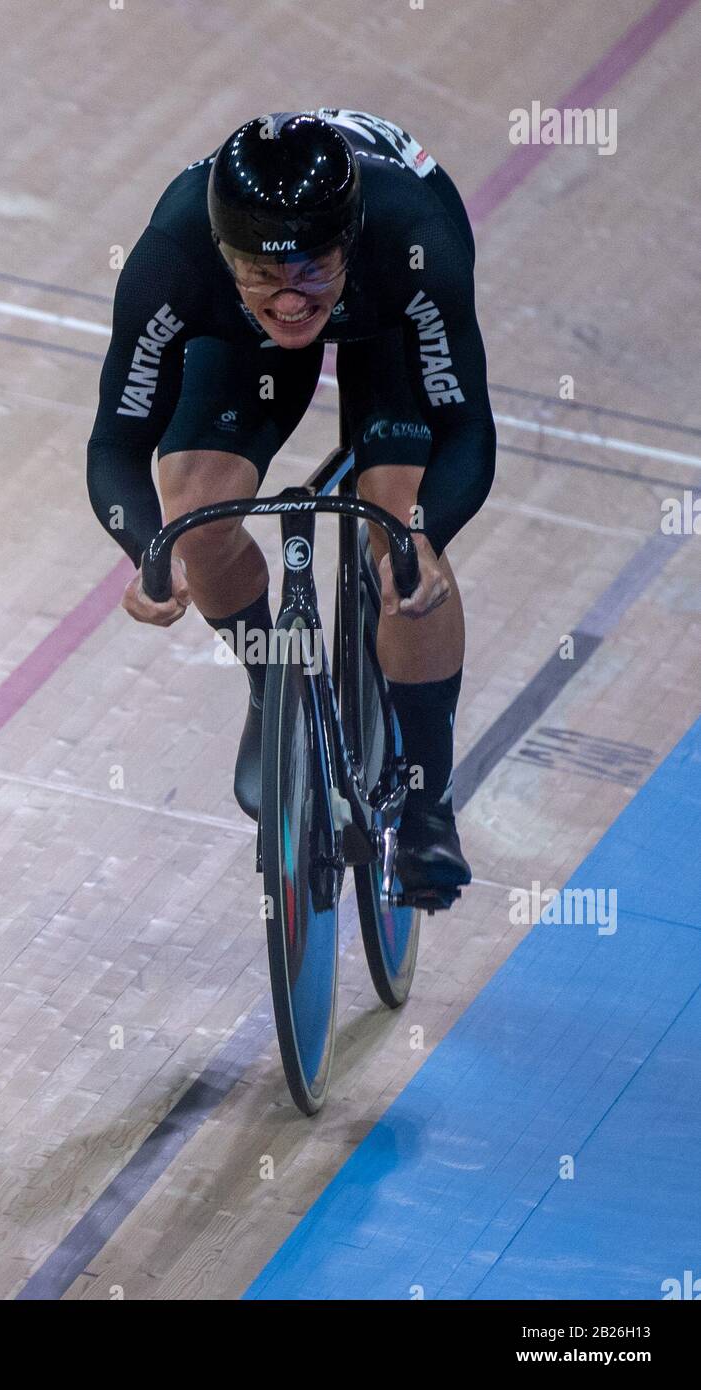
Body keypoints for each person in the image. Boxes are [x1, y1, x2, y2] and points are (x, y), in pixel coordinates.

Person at [87, 109, 497, 892]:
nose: (288, 299)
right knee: (193, 518)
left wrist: (424, 535)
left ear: (350, 239)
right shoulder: (173, 259)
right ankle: (271, 685)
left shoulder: (414, 238)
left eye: (311, 266)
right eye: (263, 273)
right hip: (240, 336)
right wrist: (148, 551)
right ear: (221, 252)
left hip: (386, 313)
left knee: (401, 533)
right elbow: (114, 446)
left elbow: (467, 428)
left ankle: (427, 806)